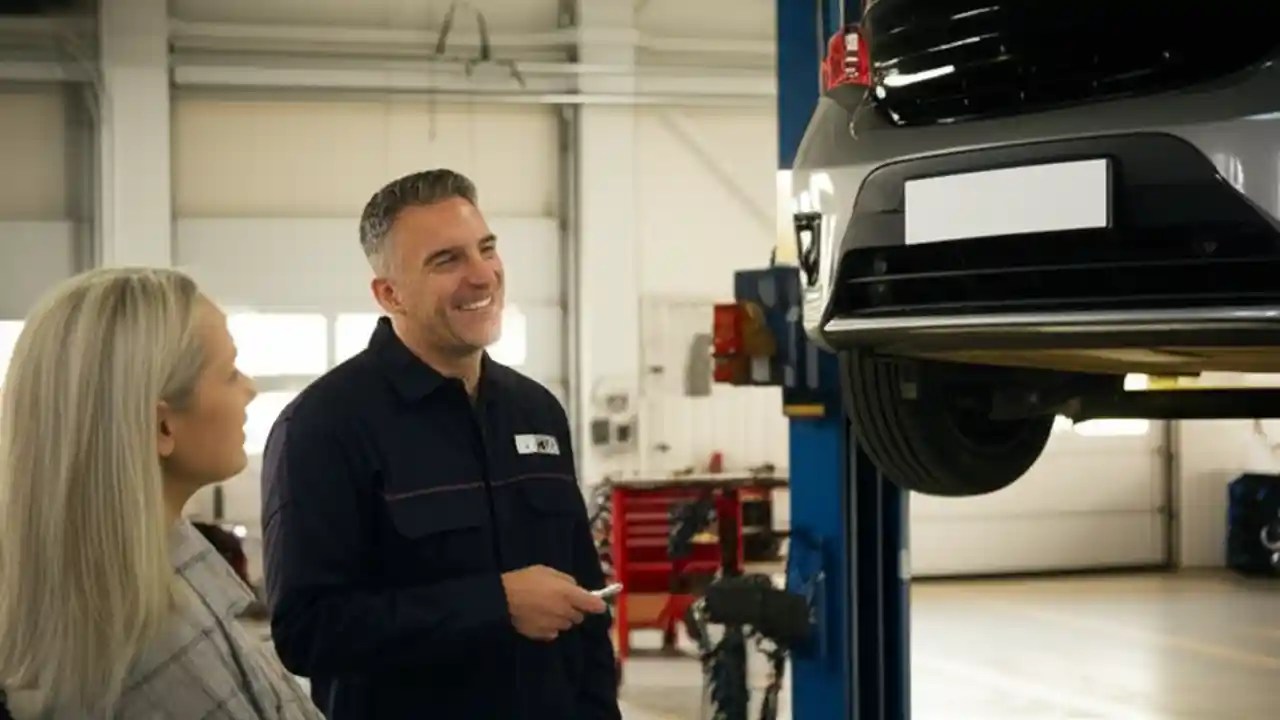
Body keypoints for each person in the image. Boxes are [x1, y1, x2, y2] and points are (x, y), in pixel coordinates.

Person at [260, 169, 622, 719]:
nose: (483, 277)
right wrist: (493, 605)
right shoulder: (324, 427)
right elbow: (308, 632)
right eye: (446, 261)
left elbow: (586, 606)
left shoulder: (537, 411)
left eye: (487, 249)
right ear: (390, 294)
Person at [0, 267, 323, 719]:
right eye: (229, 373)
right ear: (162, 426)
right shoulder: (152, 653)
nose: (249, 388)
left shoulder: (138, 588)